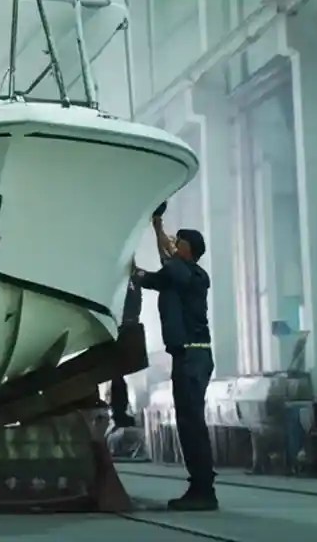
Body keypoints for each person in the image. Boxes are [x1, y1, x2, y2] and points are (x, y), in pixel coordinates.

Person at [132, 213, 216, 511]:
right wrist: (157, 225)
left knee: (191, 424)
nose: (171, 245)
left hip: (192, 357)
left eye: (178, 243)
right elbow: (164, 263)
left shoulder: (187, 274)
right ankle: (202, 487)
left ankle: (203, 490)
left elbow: (162, 270)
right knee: (190, 422)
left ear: (188, 250)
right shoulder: (183, 274)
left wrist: (132, 270)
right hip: (192, 356)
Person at [108, 278, 143, 429]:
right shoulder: (131, 279)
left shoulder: (129, 280)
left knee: (117, 377)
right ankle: (119, 414)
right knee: (117, 377)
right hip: (124, 323)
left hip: (120, 324)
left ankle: (119, 414)